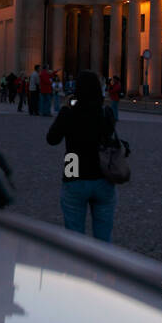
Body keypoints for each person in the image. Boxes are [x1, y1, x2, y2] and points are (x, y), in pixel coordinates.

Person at [46, 69, 117, 243]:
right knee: (103, 240)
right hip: (102, 175)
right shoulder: (105, 112)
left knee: (74, 240)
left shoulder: (69, 112)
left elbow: (52, 139)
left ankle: (78, 268)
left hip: (74, 171)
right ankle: (102, 267)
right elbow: (110, 138)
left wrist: (65, 108)